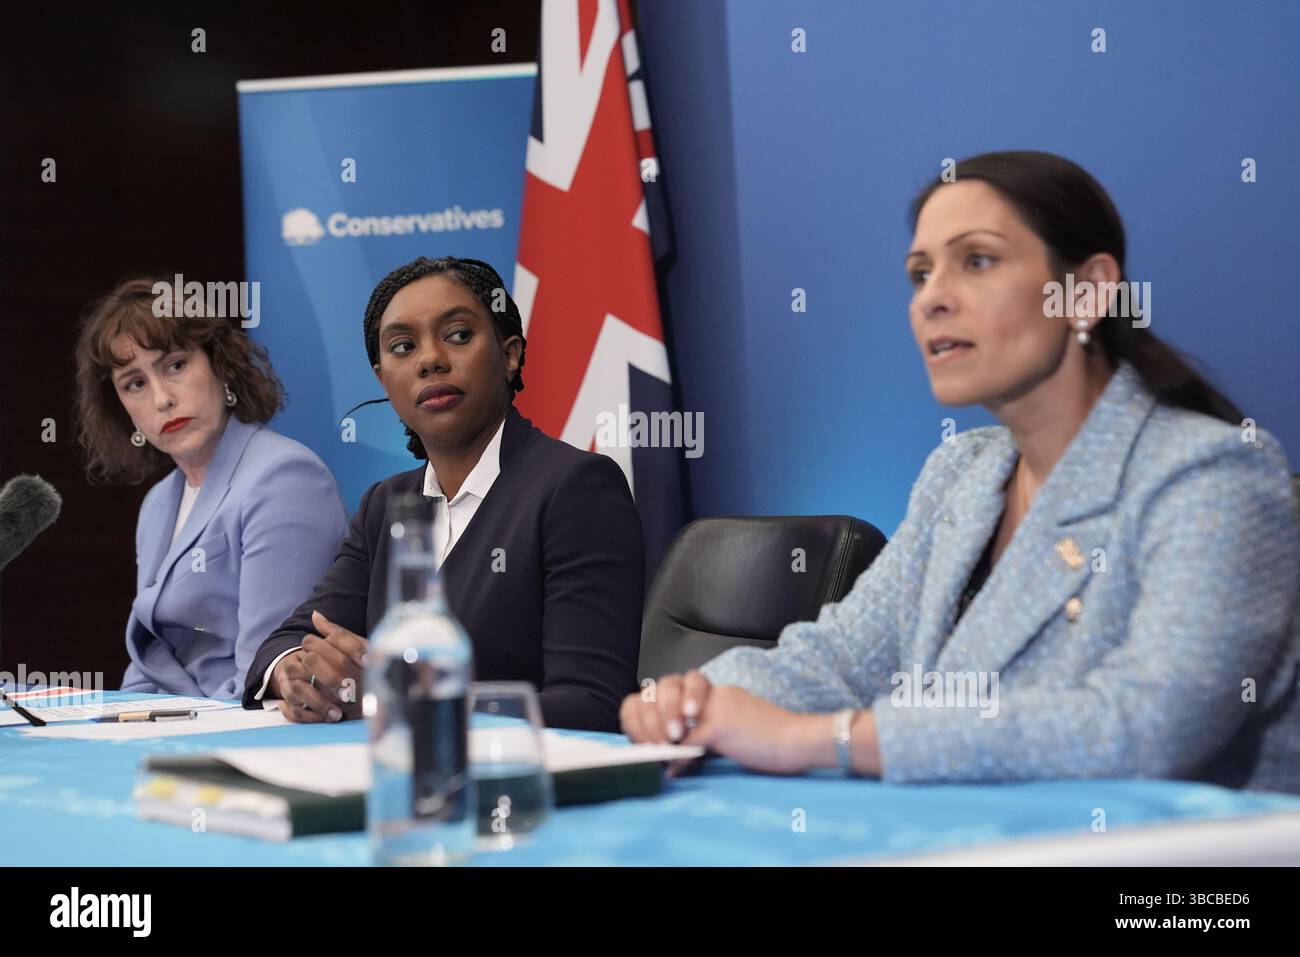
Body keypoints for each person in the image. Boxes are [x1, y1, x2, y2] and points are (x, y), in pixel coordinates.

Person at [622, 151, 1300, 793]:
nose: (931, 299)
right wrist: (698, 699)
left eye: (977, 260)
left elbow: (1143, 728)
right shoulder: (961, 471)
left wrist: (819, 739)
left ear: (1088, 293)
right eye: (920, 273)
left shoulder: (1215, 477)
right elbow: (839, 659)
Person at [242, 256, 645, 732]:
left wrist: (403, 699)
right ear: (382, 380)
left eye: (457, 335)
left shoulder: (575, 489)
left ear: (510, 353)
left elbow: (592, 704)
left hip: (519, 790)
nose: (430, 359)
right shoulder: (383, 506)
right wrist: (298, 673)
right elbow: (291, 639)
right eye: (403, 346)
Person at [74, 277, 348, 698]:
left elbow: (267, 671)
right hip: (173, 730)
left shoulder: (285, 477)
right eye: (135, 383)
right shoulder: (157, 504)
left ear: (220, 365)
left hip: (248, 734)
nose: (162, 398)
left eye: (176, 365)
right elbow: (153, 661)